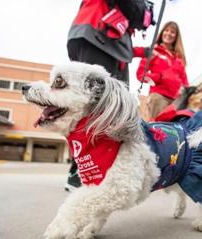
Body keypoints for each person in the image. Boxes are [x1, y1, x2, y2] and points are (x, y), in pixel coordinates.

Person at [65, 0, 153, 191]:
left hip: (101, 39)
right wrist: (145, 12)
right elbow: (135, 13)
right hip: (98, 36)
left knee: (104, 105)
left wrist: (142, 50)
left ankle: (90, 168)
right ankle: (82, 169)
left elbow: (129, 24)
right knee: (99, 105)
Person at [135, 21, 189, 120]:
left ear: (176, 36)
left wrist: (187, 94)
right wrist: (159, 77)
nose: (168, 34)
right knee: (158, 129)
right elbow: (140, 75)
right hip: (159, 97)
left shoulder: (179, 58)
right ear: (162, 32)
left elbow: (185, 81)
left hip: (177, 101)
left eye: (172, 32)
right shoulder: (153, 51)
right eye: (166, 30)